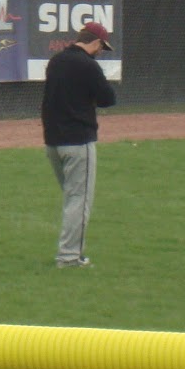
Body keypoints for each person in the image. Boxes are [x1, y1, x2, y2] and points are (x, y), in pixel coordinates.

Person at [40, 22, 118, 268]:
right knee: (79, 200)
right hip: (78, 141)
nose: (101, 52)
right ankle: (69, 256)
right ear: (96, 42)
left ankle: (70, 254)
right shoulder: (88, 65)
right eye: (102, 47)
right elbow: (108, 98)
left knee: (72, 197)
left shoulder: (56, 61)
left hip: (53, 141)